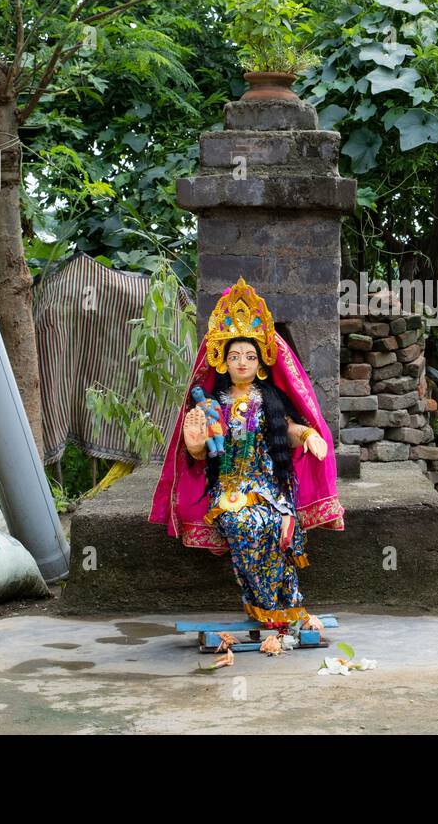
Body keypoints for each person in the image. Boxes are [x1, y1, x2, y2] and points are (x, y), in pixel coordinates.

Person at [149, 278, 344, 660]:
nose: (242, 362)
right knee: (245, 526)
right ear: (223, 359)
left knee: (278, 526)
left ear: (261, 363)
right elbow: (203, 453)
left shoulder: (268, 401)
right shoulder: (213, 406)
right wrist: (195, 444)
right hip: (229, 491)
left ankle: (286, 607)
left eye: (250, 356)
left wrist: (306, 435)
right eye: (236, 355)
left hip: (269, 489)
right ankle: (273, 613)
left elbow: (285, 430)